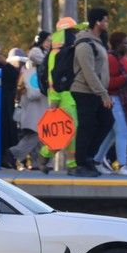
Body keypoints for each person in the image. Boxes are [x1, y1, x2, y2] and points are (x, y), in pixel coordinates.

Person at [71, 7, 114, 177]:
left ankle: (89, 157)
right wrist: (103, 94)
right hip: (84, 91)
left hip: (95, 92)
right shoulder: (84, 44)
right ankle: (80, 163)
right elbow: (88, 72)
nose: (106, 23)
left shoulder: (97, 42)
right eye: (104, 20)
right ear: (97, 22)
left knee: (106, 122)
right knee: (86, 127)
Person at [37, 17, 81, 174]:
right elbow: (52, 76)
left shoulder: (64, 49)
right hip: (59, 94)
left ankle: (69, 164)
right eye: (73, 32)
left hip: (66, 93)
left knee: (68, 129)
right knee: (69, 127)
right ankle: (46, 155)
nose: (75, 35)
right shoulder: (58, 52)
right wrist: (54, 99)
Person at [92, 31, 127, 176]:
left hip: (121, 98)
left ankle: (96, 160)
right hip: (114, 98)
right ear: (118, 44)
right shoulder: (111, 59)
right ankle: (123, 164)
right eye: (125, 43)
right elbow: (108, 82)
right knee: (122, 130)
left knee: (113, 133)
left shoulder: (120, 58)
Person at [9, 42, 49, 171]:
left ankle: (38, 163)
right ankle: (13, 153)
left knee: (39, 137)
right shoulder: (33, 73)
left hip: (36, 111)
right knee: (35, 136)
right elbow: (33, 94)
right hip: (33, 112)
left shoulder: (32, 73)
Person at [0, 42, 20, 168]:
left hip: (6, 104)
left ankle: (7, 158)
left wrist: (5, 63)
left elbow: (14, 75)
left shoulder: (4, 66)